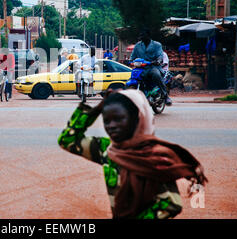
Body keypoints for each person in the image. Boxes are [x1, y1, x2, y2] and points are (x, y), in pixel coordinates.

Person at [58, 89, 207, 219]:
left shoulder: (153, 155)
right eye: (107, 120)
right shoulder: (107, 149)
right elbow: (67, 140)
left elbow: (171, 204)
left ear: (137, 119)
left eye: (119, 119)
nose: (111, 126)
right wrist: (96, 109)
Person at [130, 29, 172, 106]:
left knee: (156, 75)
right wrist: (129, 61)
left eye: (143, 35)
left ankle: (165, 96)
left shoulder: (157, 45)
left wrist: (158, 61)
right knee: (134, 76)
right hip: (141, 68)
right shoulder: (137, 46)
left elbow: (160, 56)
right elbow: (132, 57)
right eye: (140, 36)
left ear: (148, 36)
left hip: (153, 67)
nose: (141, 37)